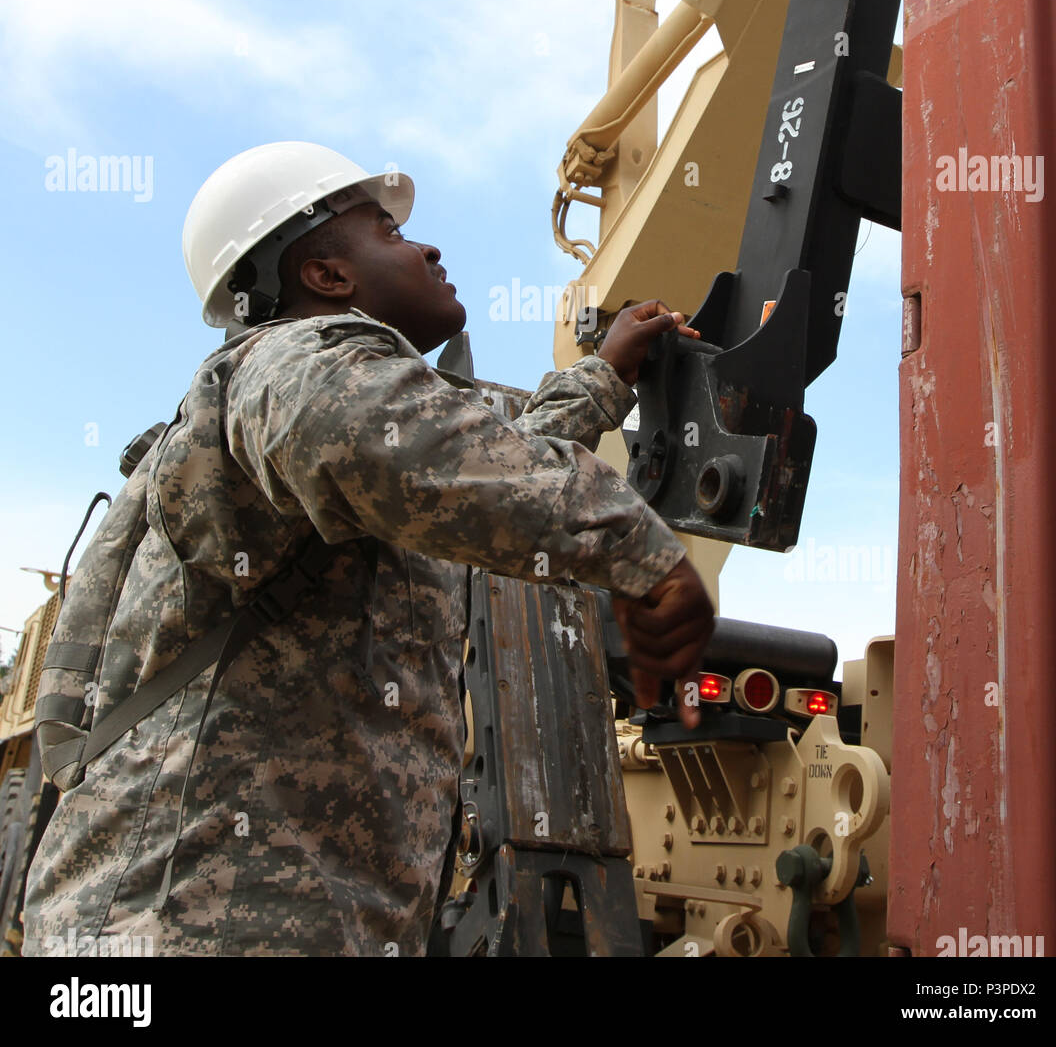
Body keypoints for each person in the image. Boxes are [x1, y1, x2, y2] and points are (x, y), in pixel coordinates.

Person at [23, 141, 714, 957]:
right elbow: (391, 444)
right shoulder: (287, 363)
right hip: (186, 927)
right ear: (325, 278)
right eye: (387, 232)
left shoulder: (338, 432)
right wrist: (640, 552)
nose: (427, 247)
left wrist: (601, 375)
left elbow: (472, 466)